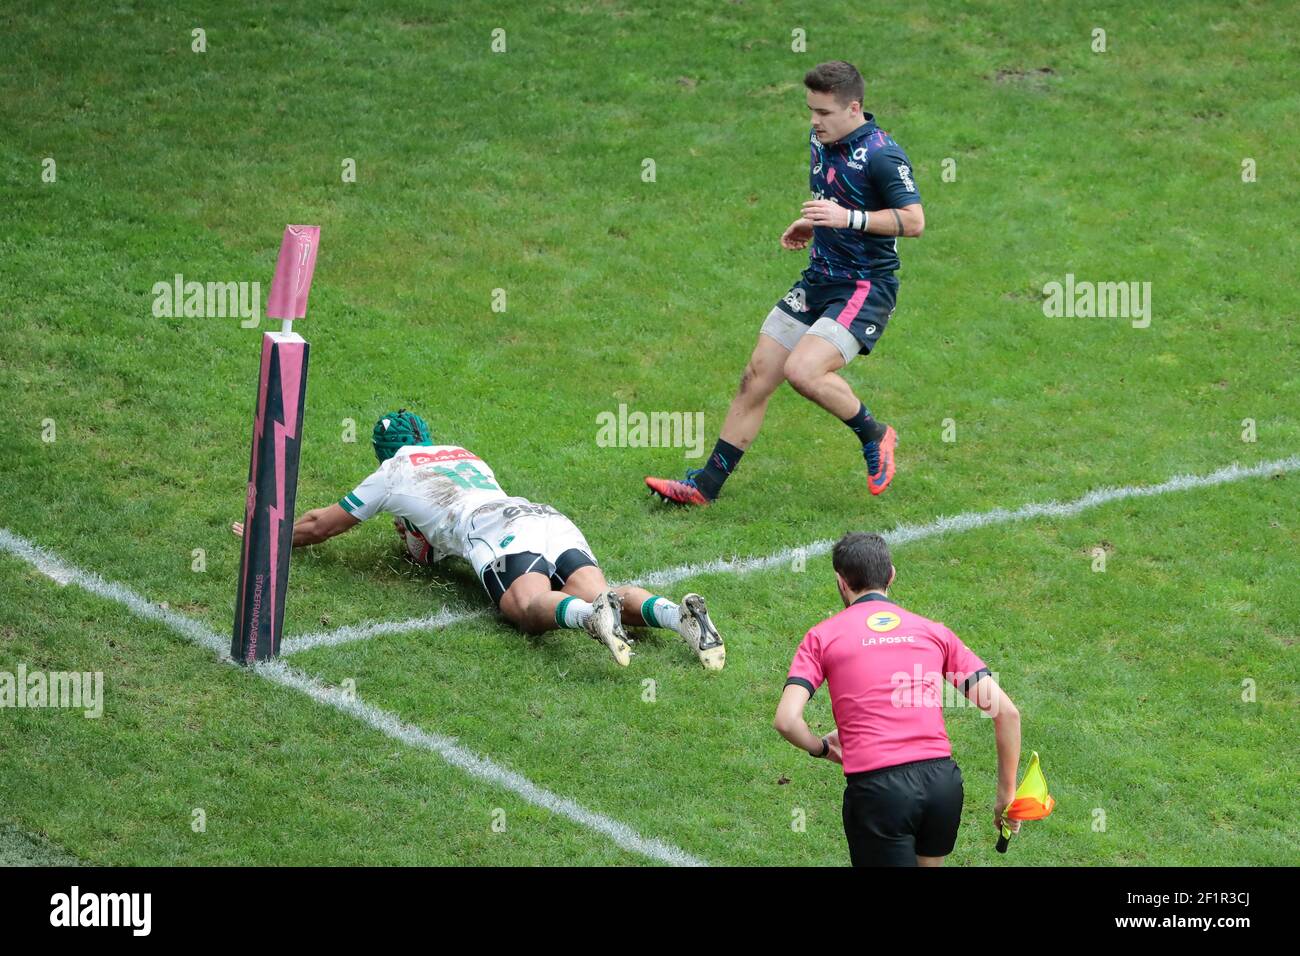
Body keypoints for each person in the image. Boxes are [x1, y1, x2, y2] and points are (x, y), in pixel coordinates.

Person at [232, 409, 725, 669]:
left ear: (384, 452)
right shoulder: (463, 453)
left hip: (495, 532)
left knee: (525, 611)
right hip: (545, 517)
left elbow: (324, 524)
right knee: (603, 589)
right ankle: (673, 616)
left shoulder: (391, 471)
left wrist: (268, 535)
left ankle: (588, 619)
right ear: (426, 436)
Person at [646, 61, 924, 506]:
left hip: (863, 288)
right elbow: (838, 195)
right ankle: (704, 488)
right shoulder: (821, 139)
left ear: (854, 108)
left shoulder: (882, 154)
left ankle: (876, 434)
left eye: (825, 112)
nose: (815, 121)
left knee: (803, 371)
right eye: (811, 110)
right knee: (756, 376)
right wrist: (813, 225)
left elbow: (914, 221)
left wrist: (844, 219)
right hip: (819, 279)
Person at [773, 532, 1022, 866]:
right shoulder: (934, 632)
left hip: (879, 791)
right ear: (891, 575)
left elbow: (787, 721)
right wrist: (1006, 796)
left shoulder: (822, 637)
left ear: (841, 583)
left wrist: (822, 748)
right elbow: (1006, 713)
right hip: (941, 785)